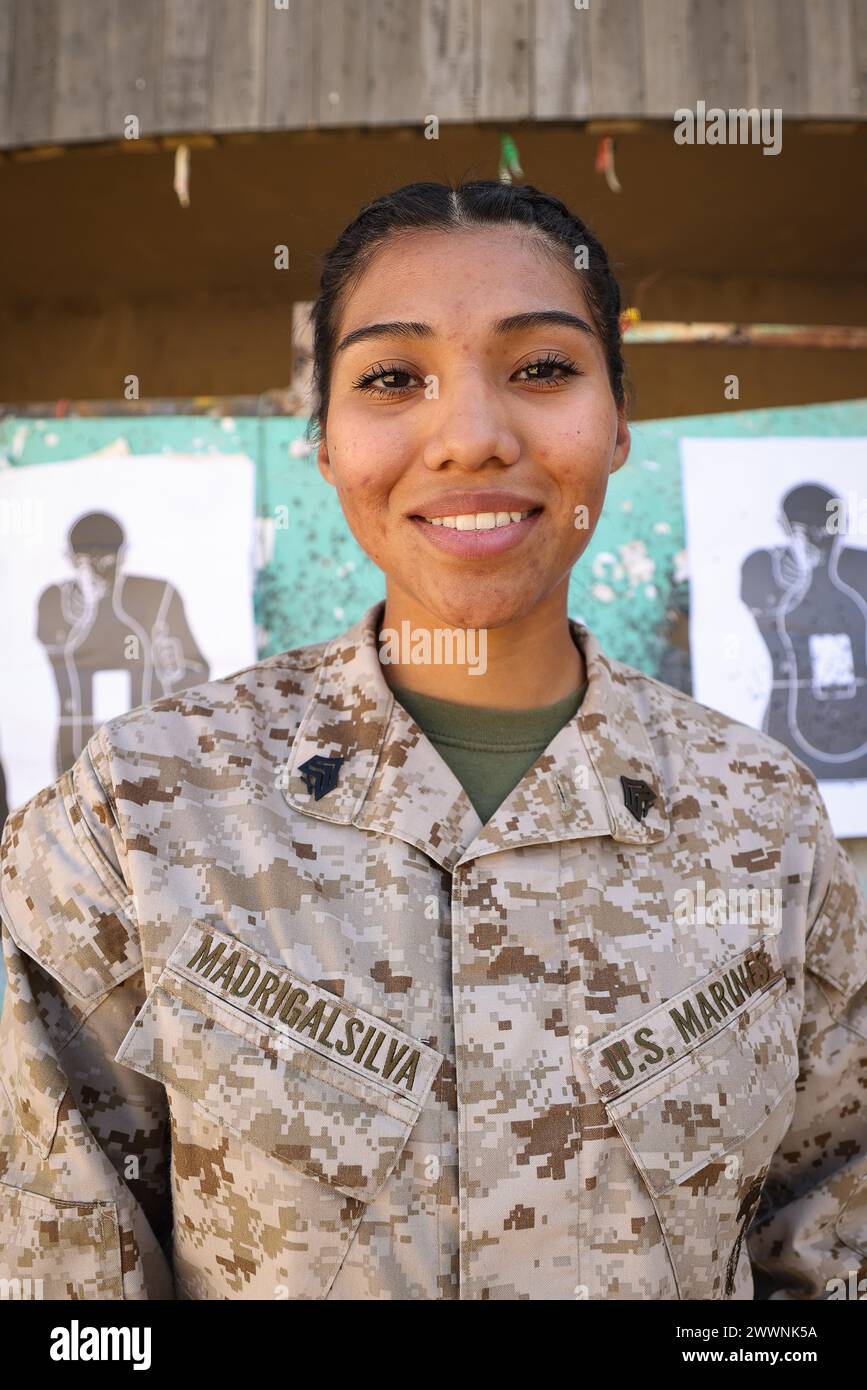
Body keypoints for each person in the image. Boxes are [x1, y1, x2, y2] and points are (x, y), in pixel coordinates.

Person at [0, 180, 864, 1301]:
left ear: (617, 422)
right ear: (322, 440)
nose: (470, 436)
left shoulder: (764, 819)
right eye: (393, 377)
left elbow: (828, 1248)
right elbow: (64, 1293)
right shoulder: (143, 812)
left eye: (544, 368)